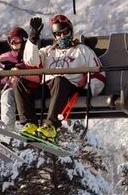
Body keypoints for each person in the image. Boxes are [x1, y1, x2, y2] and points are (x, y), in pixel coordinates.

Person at [17, 14, 105, 142]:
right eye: (58, 34)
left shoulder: (82, 51)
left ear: (71, 32)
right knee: (20, 83)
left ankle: (51, 126)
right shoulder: (48, 51)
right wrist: (32, 40)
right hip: (48, 86)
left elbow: (99, 74)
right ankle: (30, 124)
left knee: (59, 80)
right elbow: (30, 61)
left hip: (69, 87)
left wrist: (88, 89)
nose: (62, 37)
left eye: (65, 33)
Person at [0, 26, 40, 128]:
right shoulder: (5, 57)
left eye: (16, 40)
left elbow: (37, 78)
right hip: (4, 87)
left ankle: (7, 129)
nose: (13, 43)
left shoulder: (30, 56)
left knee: (6, 95)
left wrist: (20, 73)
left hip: (22, 90)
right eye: (10, 40)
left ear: (23, 40)